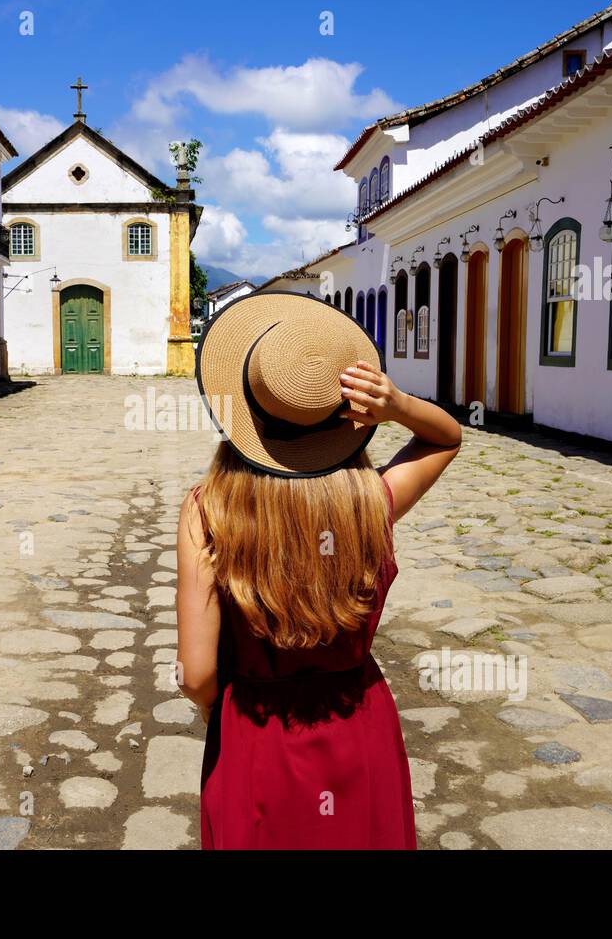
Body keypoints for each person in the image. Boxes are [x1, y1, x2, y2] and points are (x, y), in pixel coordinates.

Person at [177, 291, 462, 850]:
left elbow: (195, 675)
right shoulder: (371, 503)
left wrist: (219, 713)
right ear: (348, 419)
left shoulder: (208, 511)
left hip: (256, 731)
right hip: (357, 726)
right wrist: (397, 403)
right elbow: (445, 437)